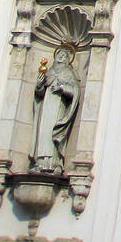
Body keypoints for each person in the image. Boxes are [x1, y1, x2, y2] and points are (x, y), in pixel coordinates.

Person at [30, 46, 80, 174]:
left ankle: (55, 162)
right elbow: (40, 94)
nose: (61, 57)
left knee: (54, 132)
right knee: (44, 133)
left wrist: (62, 88)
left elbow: (75, 91)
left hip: (59, 107)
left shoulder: (69, 73)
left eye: (64, 56)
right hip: (46, 107)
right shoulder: (49, 72)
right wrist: (39, 85)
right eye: (59, 55)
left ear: (68, 60)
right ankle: (40, 162)